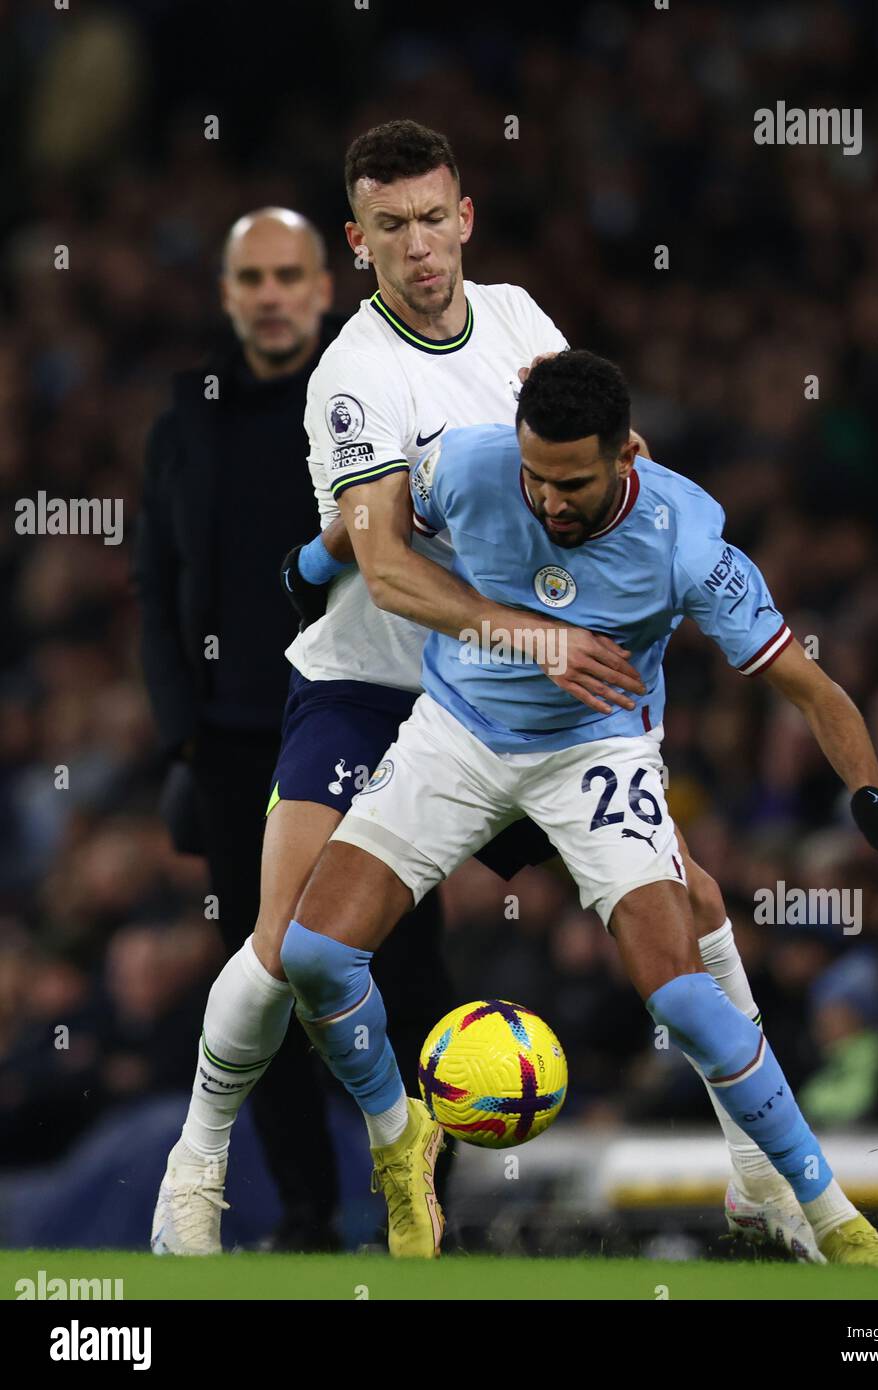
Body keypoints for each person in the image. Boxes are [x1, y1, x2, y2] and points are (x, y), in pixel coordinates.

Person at [279, 350, 878, 1265]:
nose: (549, 501)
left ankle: (835, 1220)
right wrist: (311, 560)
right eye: (536, 477)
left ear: (627, 452)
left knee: (680, 991)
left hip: (597, 751)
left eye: (573, 483)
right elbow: (377, 522)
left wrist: (872, 793)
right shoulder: (472, 463)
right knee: (314, 956)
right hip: (456, 734)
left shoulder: (687, 543)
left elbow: (809, 685)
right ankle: (402, 1144)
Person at [145, 123, 645, 1257]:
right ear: (356, 239)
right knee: (285, 945)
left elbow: (612, 456)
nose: (419, 248)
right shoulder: (354, 375)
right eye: (392, 227)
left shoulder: (520, 321)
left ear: (464, 216)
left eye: (434, 219)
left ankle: (774, 1185)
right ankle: (201, 1164)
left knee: (677, 902)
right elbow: (382, 570)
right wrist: (538, 638)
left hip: (510, 697)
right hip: (373, 688)